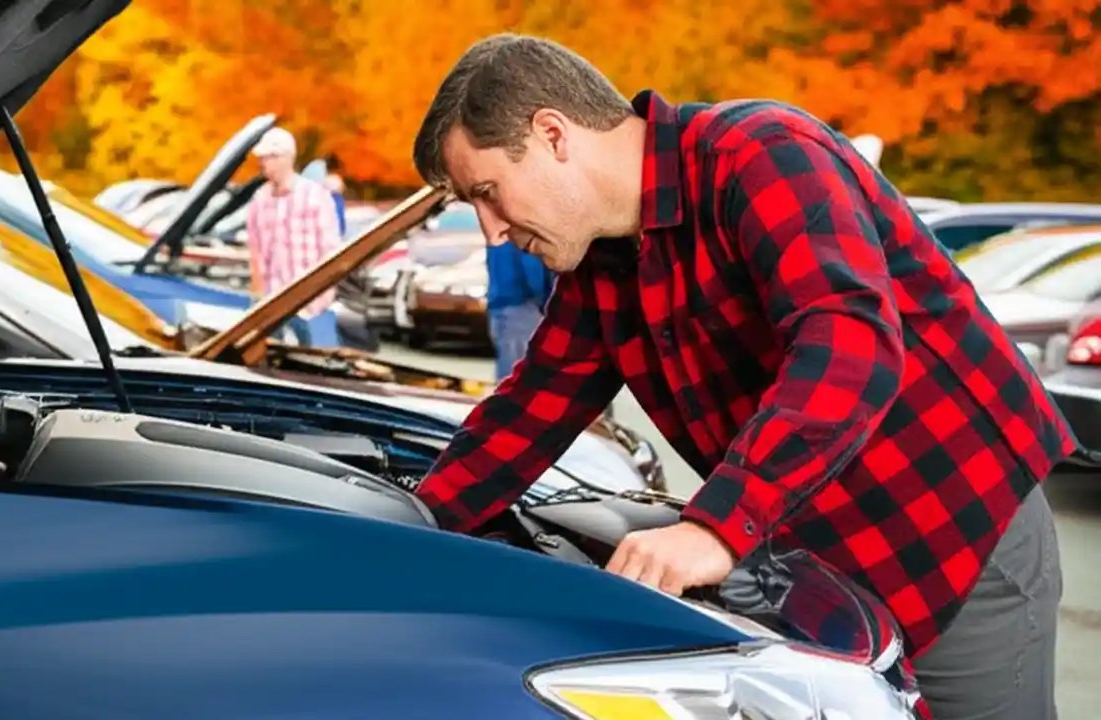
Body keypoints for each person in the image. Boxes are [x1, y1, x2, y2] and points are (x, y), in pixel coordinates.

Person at [409, 33, 1073, 719]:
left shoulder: (760, 154)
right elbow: (531, 408)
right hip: (823, 559)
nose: (489, 230)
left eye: (487, 192)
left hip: (954, 534)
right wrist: (413, 530)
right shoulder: (602, 260)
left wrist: (718, 530)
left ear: (552, 134)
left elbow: (848, 342)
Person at [243, 127, 344, 347]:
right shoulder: (259, 200)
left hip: (308, 302)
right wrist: (258, 296)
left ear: (286, 158)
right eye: (261, 158)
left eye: (269, 157)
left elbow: (330, 248)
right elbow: (255, 251)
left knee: (312, 365)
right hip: (270, 304)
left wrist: (323, 296)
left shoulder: (315, 196)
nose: (263, 163)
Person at [485, 240, 555, 380]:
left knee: (508, 367)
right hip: (522, 304)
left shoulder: (496, 235)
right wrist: (547, 300)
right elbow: (532, 269)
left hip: (498, 303)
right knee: (519, 373)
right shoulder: (521, 235)